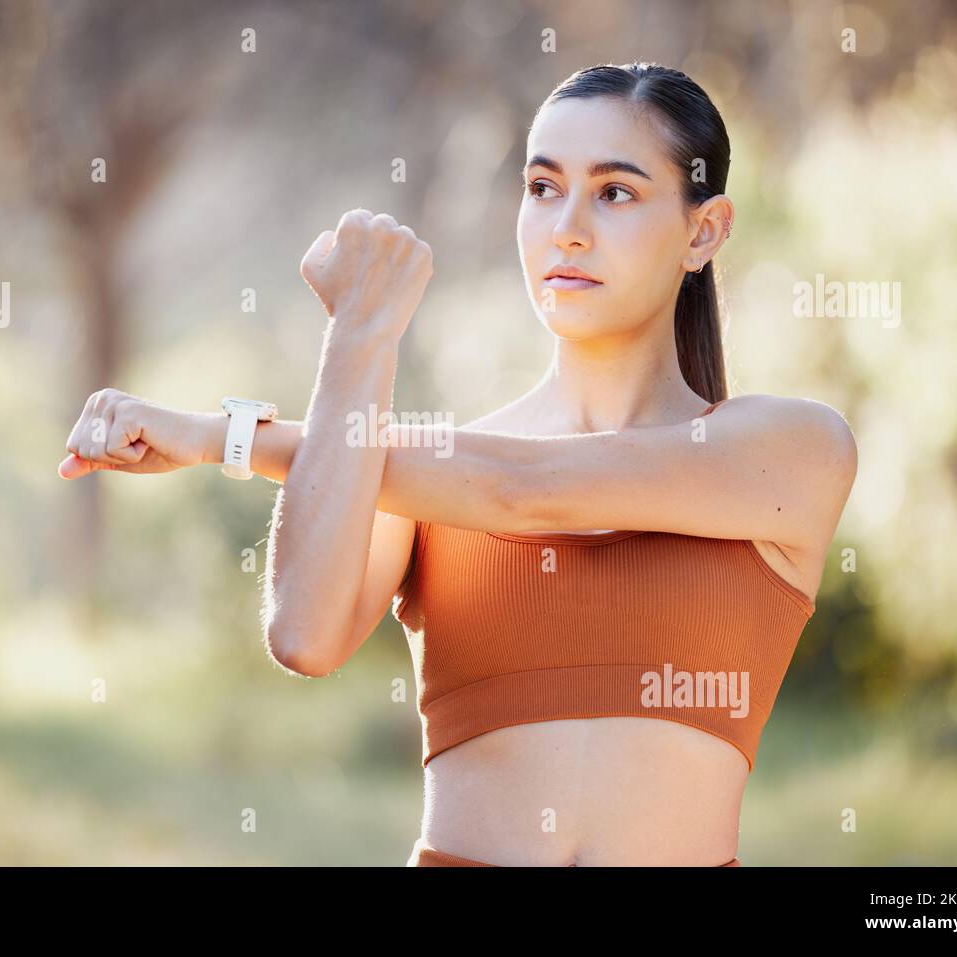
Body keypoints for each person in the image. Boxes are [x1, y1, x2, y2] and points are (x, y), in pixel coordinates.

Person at [58, 62, 857, 867]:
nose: (567, 228)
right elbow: (303, 636)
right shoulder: (418, 473)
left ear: (704, 230)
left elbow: (529, 491)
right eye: (543, 188)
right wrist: (361, 333)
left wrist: (214, 437)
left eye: (615, 192)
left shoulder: (792, 450)